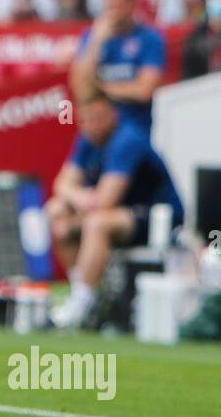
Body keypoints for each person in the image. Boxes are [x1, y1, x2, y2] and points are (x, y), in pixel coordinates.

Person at [45, 89, 184, 328]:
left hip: (157, 217)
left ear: (112, 114)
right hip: (115, 213)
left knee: (97, 222)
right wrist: (79, 198)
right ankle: (86, 294)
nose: (91, 125)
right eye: (86, 119)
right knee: (55, 212)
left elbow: (104, 202)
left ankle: (80, 308)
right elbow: (62, 184)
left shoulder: (128, 140)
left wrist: (78, 200)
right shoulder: (86, 139)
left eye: (97, 117)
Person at [69, 0, 165, 134]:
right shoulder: (93, 36)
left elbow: (144, 91)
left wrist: (101, 88)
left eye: (117, 6)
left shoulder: (149, 38)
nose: (112, 11)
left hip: (134, 124)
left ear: (131, 5)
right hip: (97, 127)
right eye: (109, 5)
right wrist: (96, 42)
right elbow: (79, 86)